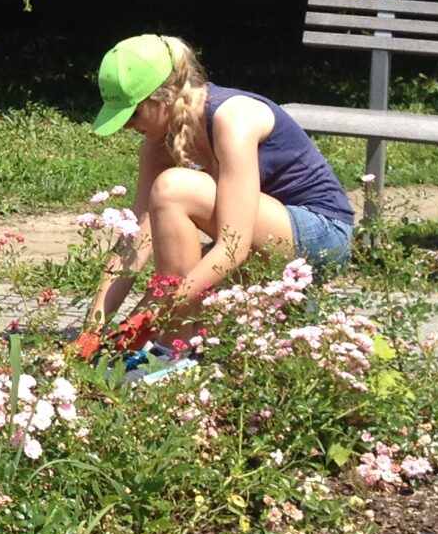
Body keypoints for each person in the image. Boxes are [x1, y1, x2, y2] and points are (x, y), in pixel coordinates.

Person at [84, 34, 357, 339]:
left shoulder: (233, 117)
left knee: (173, 189)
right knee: (135, 327)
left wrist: (157, 314)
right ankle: (176, 348)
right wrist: (93, 330)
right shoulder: (157, 143)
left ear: (167, 94)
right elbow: (135, 238)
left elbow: (232, 247)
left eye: (132, 113)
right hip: (260, 236)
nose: (127, 126)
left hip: (321, 236)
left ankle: (173, 344)